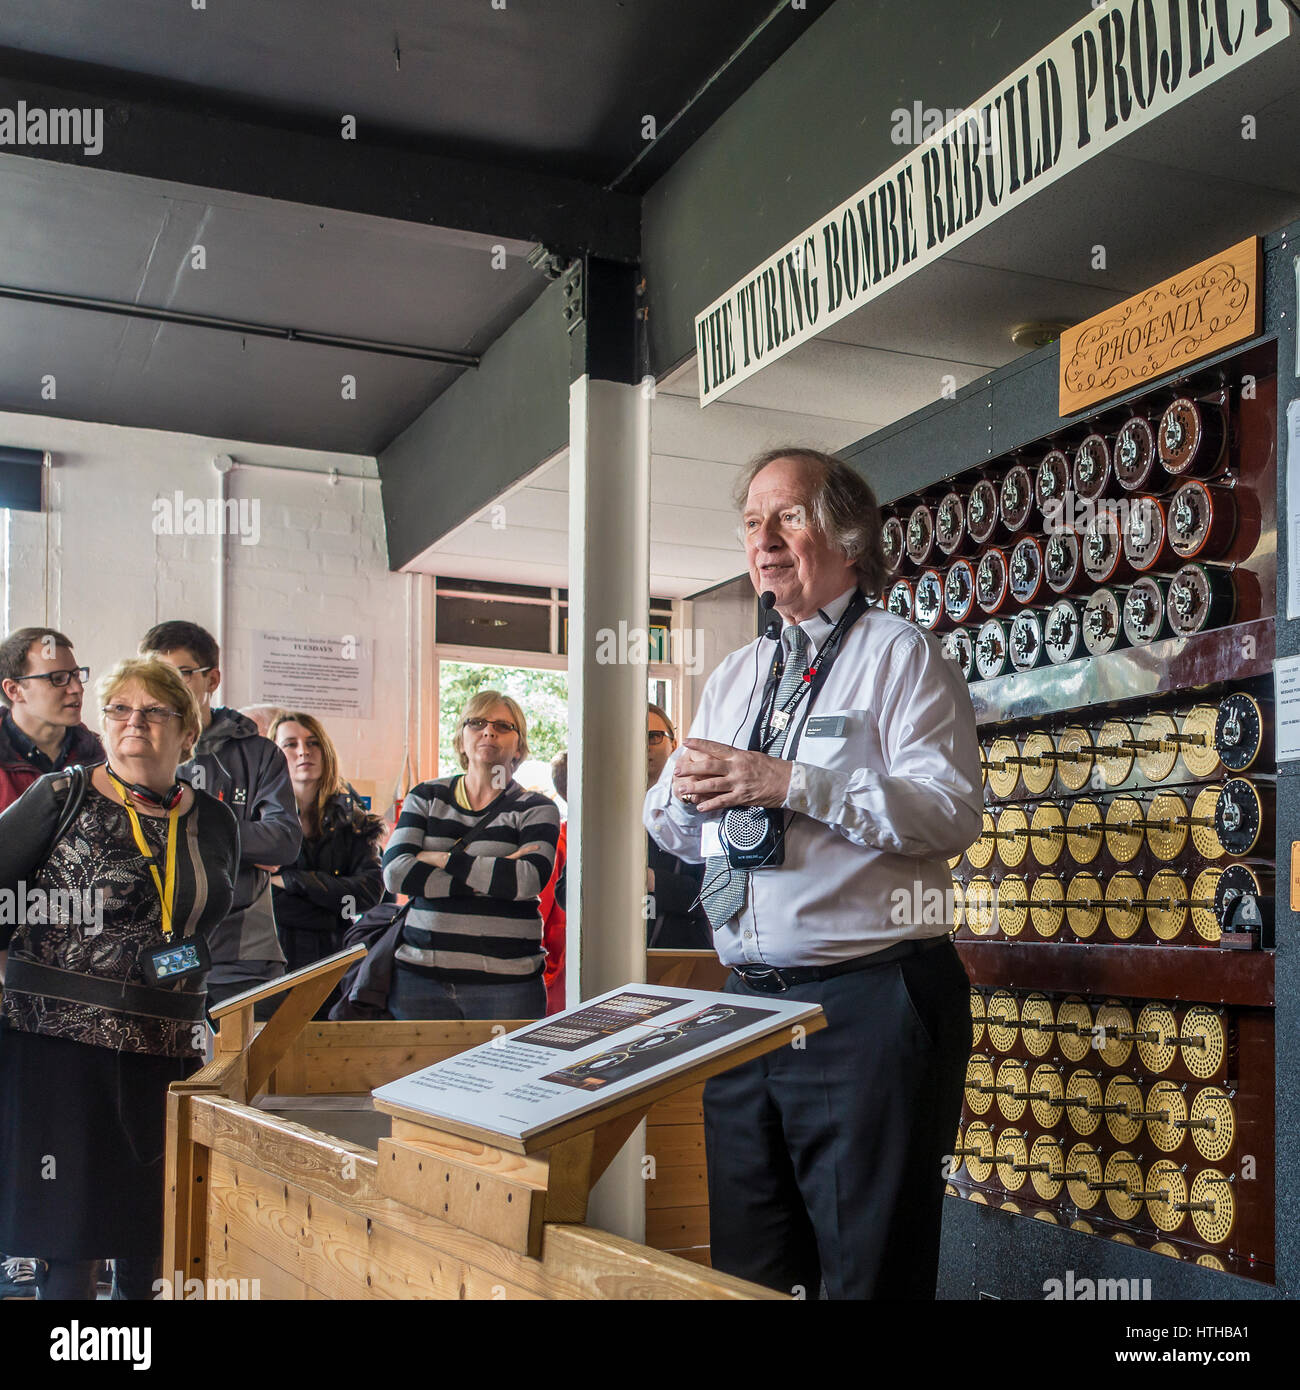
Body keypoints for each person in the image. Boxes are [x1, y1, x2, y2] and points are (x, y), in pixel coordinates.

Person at [644, 446, 982, 1300]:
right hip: (745, 1005)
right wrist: (689, 799)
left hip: (866, 1003)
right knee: (750, 1274)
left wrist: (791, 781)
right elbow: (669, 827)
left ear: (850, 533)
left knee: (868, 1275)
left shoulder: (900, 655)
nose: (765, 538)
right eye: (752, 522)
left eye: (787, 516)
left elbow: (951, 814)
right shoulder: (736, 674)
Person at [0, 657, 238, 1300]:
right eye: (120, 710)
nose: (135, 722)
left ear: (187, 732)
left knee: (154, 1234)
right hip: (57, 1048)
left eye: (155, 711)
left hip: (164, 1050)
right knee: (67, 1242)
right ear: (103, 725)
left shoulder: (213, 821)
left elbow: (202, 935)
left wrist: (167, 970)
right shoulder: (59, 796)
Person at [0, 626, 106, 1298]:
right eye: (56, 677)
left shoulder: (96, 756)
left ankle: (51, 1268)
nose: (74, 688)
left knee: (57, 1142)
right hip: (6, 967)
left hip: (72, 984)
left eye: (78, 674)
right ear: (12, 690)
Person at [140, 622, 301, 1011]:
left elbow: (282, 841)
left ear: (212, 678)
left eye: (179, 674)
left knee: (250, 1067)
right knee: (173, 1069)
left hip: (243, 953)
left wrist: (189, 826)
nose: (165, 687)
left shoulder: (259, 754)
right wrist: (241, 842)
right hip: (162, 948)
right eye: (154, 675)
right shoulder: (136, 748)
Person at [382, 691, 559, 1021]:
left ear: (518, 748)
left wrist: (441, 859)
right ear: (461, 740)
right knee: (420, 1074)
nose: (488, 732)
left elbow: (526, 880)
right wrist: (493, 876)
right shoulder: (426, 797)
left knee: (511, 1075)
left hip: (508, 986)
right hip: (419, 980)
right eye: (477, 723)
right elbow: (395, 874)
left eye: (503, 726)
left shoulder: (536, 808)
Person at [268, 712, 384, 1014]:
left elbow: (370, 892)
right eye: (290, 744)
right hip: (275, 965)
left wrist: (291, 881)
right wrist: (329, 905)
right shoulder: (258, 822)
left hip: (337, 965)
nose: (304, 751)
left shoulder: (355, 822)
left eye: (313, 742)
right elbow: (262, 900)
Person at [644, 703, 710, 950]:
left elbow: (712, 893)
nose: (644, 745)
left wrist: (650, 881)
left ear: (674, 744)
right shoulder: (606, 814)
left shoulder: (700, 803)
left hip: (684, 952)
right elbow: (566, 892)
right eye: (636, 736)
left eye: (654, 736)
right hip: (612, 956)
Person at [537, 750, 568, 1014]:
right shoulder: (559, 841)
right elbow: (542, 907)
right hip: (558, 966)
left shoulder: (560, 837)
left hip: (559, 961)